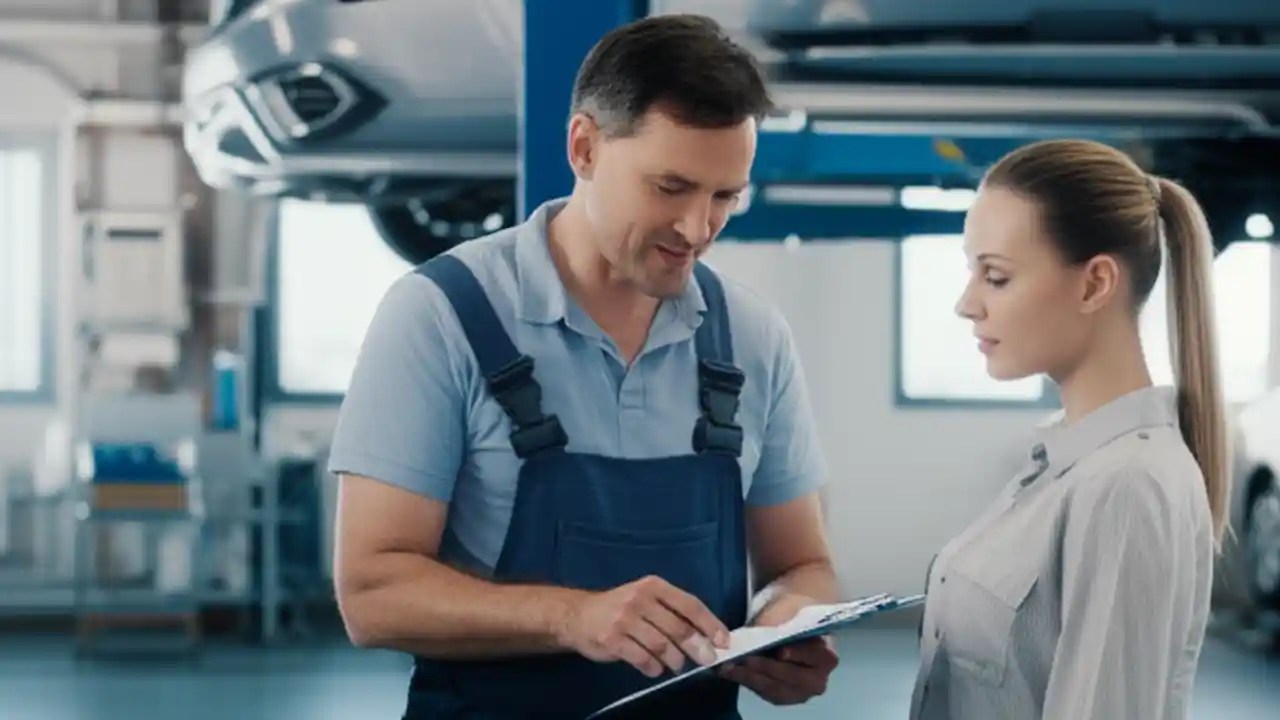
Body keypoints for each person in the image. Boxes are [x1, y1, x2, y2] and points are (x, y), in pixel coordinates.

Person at [329, 14, 839, 720]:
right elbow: (371, 596)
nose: (697, 229)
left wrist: (789, 626)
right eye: (670, 187)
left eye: (725, 197)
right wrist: (572, 617)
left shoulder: (753, 337)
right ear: (585, 146)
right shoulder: (439, 316)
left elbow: (801, 565)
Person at [910, 138, 1231, 720]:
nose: (967, 304)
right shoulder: (1064, 467)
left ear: (1094, 284)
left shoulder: (1125, 487)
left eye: (997, 277)